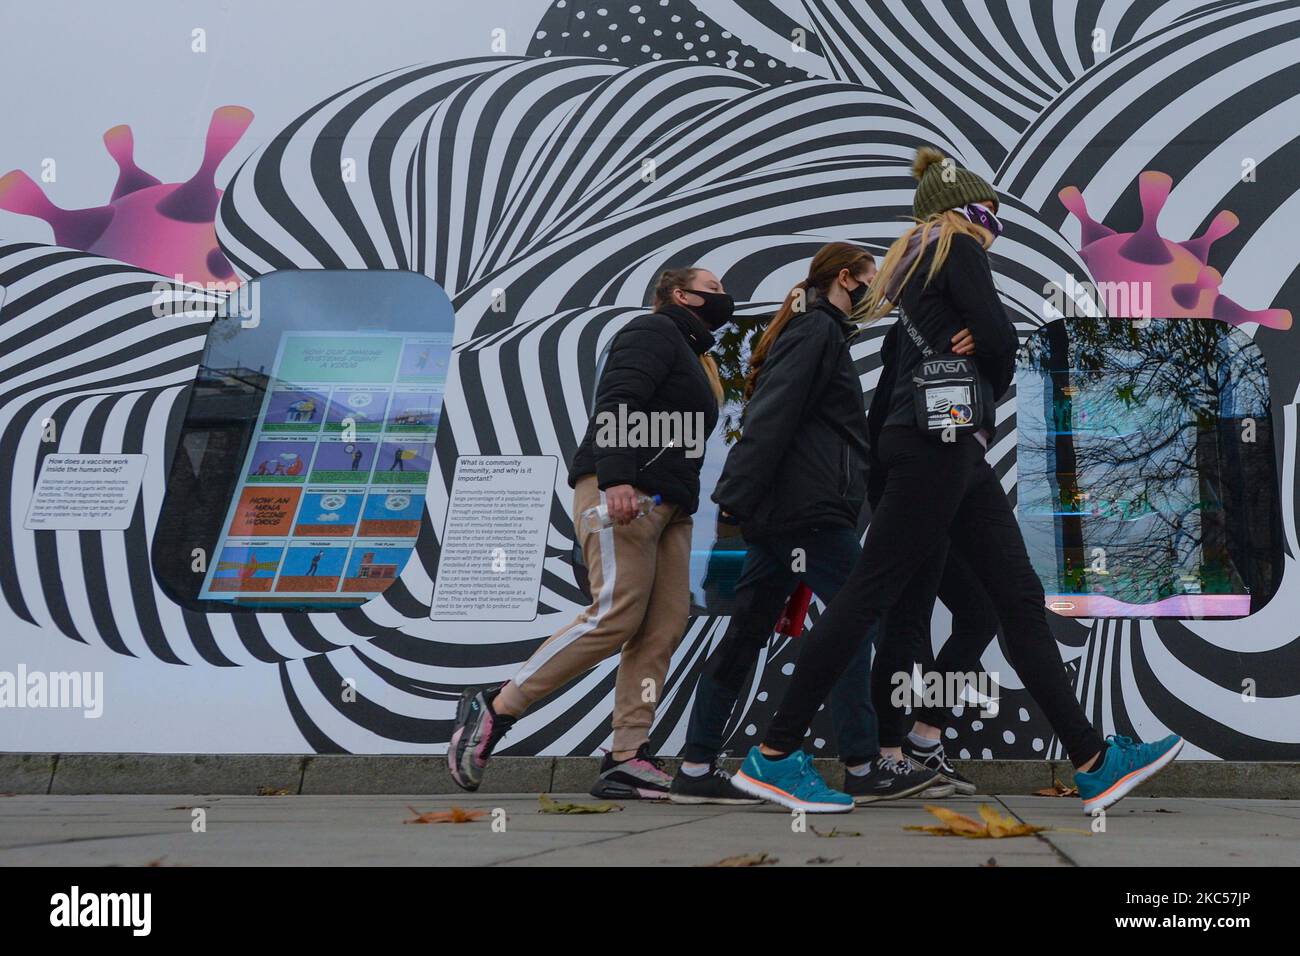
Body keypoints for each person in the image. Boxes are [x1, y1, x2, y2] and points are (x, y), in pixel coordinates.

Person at [729, 146, 1183, 815]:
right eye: (991, 215)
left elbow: (906, 373)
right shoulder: (955, 245)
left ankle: (1092, 762)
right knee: (869, 592)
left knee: (1015, 598)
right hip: (939, 448)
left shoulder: (911, 266)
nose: (994, 227)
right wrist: (988, 357)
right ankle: (773, 755)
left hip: (946, 452)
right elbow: (999, 341)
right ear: (966, 210)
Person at [666, 243, 941, 806]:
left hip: (786, 513)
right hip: (807, 512)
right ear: (845, 279)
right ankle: (863, 764)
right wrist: (733, 500)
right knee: (854, 621)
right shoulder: (816, 329)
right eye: (870, 280)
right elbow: (772, 413)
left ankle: (695, 767)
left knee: (746, 633)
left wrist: (745, 507)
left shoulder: (818, 330)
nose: (877, 292)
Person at [448, 267, 731, 799]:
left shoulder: (694, 353)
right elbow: (618, 397)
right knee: (615, 616)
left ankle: (627, 755)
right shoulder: (651, 332)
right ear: (680, 294)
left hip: (671, 505)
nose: (724, 299)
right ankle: (497, 706)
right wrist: (619, 476)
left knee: (662, 628)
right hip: (626, 493)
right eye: (714, 291)